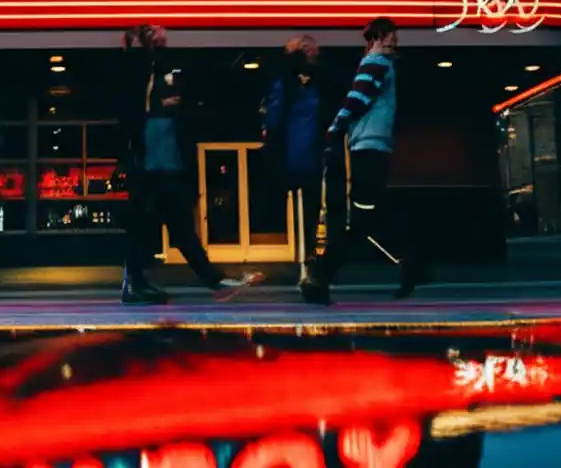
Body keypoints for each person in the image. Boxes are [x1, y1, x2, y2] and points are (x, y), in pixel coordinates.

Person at [115, 24, 263, 305]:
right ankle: (140, 283)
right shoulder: (142, 70)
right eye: (157, 33)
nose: (164, 36)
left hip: (164, 162)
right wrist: (138, 47)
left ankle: (204, 280)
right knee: (156, 227)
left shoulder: (161, 75)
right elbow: (134, 88)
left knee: (173, 227)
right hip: (151, 164)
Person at [299, 17, 428, 305]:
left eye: (393, 37)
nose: (393, 42)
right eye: (390, 36)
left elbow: (356, 99)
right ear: (379, 37)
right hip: (374, 145)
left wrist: (334, 130)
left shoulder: (376, 62)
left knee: (362, 216)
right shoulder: (383, 64)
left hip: (368, 147)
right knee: (366, 215)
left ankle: (321, 278)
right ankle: (413, 263)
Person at [260, 35, 342, 281]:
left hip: (303, 151)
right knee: (313, 209)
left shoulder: (291, 82)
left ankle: (312, 260)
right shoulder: (302, 82)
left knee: (311, 211)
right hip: (306, 151)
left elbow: (274, 114)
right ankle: (312, 261)